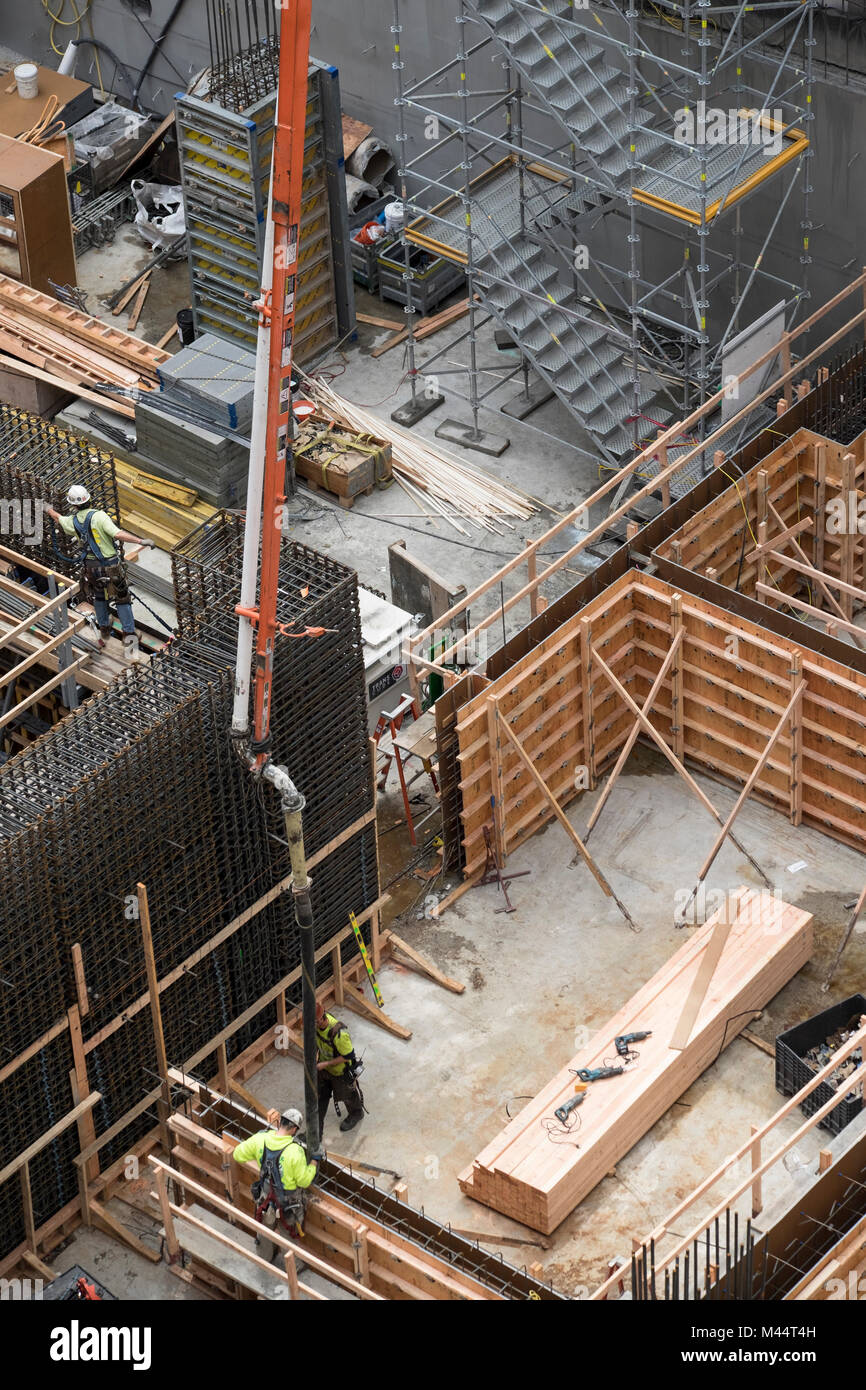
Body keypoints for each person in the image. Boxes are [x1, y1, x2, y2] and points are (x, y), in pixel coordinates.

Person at [44, 486, 155, 664]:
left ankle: (104, 627)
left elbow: (58, 518)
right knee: (122, 600)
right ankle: (129, 638)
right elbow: (117, 534)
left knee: (99, 597)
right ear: (89, 499)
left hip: (91, 568)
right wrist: (141, 541)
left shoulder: (72, 521)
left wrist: (48, 509)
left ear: (73, 504)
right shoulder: (99, 516)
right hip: (110, 566)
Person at [232, 1108, 319, 1238]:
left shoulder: (261, 1139)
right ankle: (290, 1256)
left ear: (280, 1122)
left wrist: (258, 1154)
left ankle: (263, 1256)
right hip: (289, 1206)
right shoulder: (295, 1151)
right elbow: (304, 1181)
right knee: (289, 1239)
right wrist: (314, 1162)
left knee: (264, 1233)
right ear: (295, 1129)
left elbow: (237, 1154)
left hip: (265, 1198)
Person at [316, 1000, 364, 1133]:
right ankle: (316, 1129)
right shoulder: (316, 1027)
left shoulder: (338, 1033)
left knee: (347, 1095)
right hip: (324, 1070)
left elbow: (348, 1055)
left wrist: (326, 1063)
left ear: (320, 1019)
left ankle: (356, 1113)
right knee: (321, 1096)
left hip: (340, 1072)